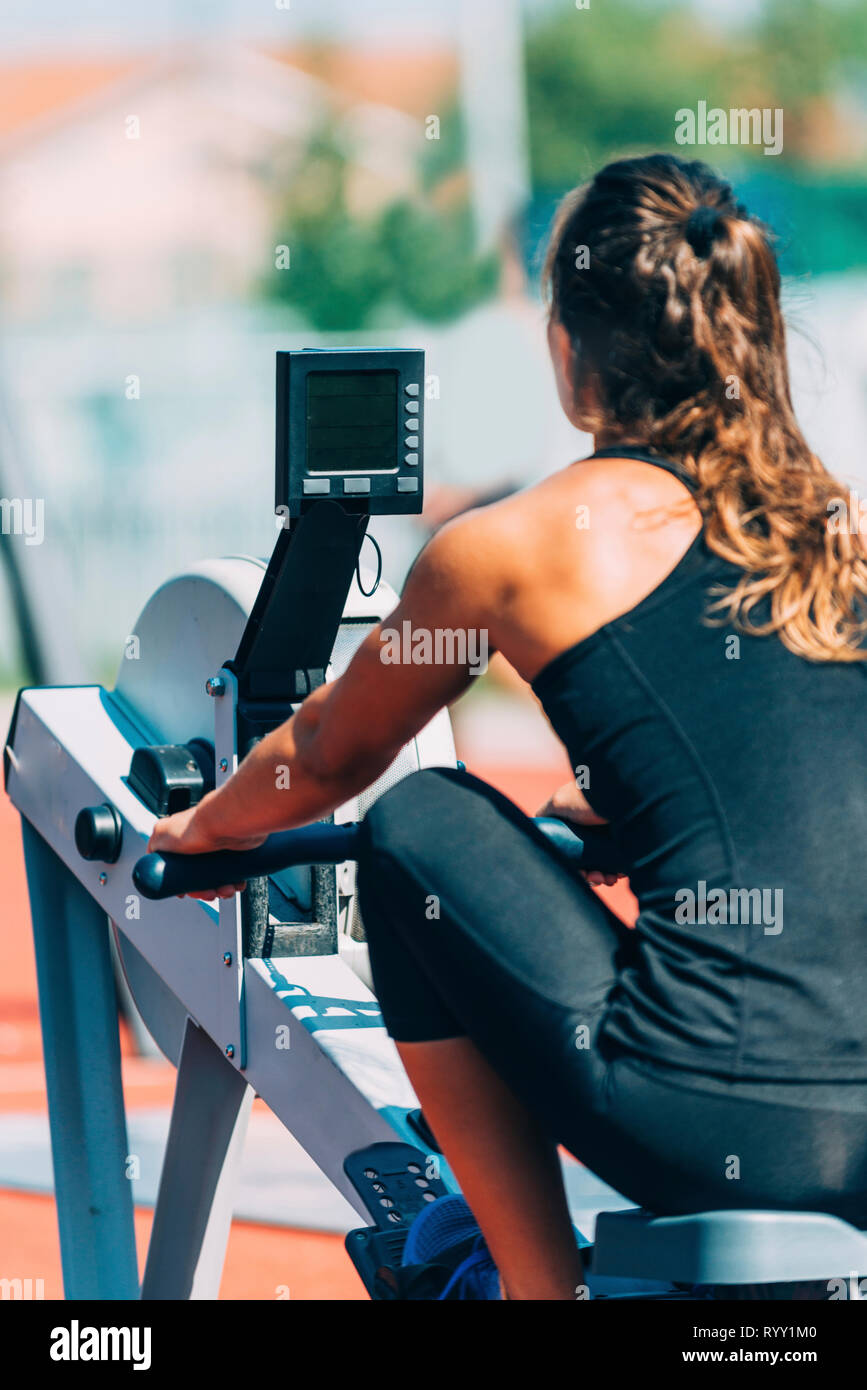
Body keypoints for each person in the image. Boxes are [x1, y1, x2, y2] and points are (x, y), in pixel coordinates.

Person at [149, 154, 867, 1301]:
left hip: (697, 1116)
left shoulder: (517, 545)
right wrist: (638, 809)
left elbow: (329, 756)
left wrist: (200, 830)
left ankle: (536, 1286)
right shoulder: (836, 533)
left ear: (571, 350)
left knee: (416, 827)